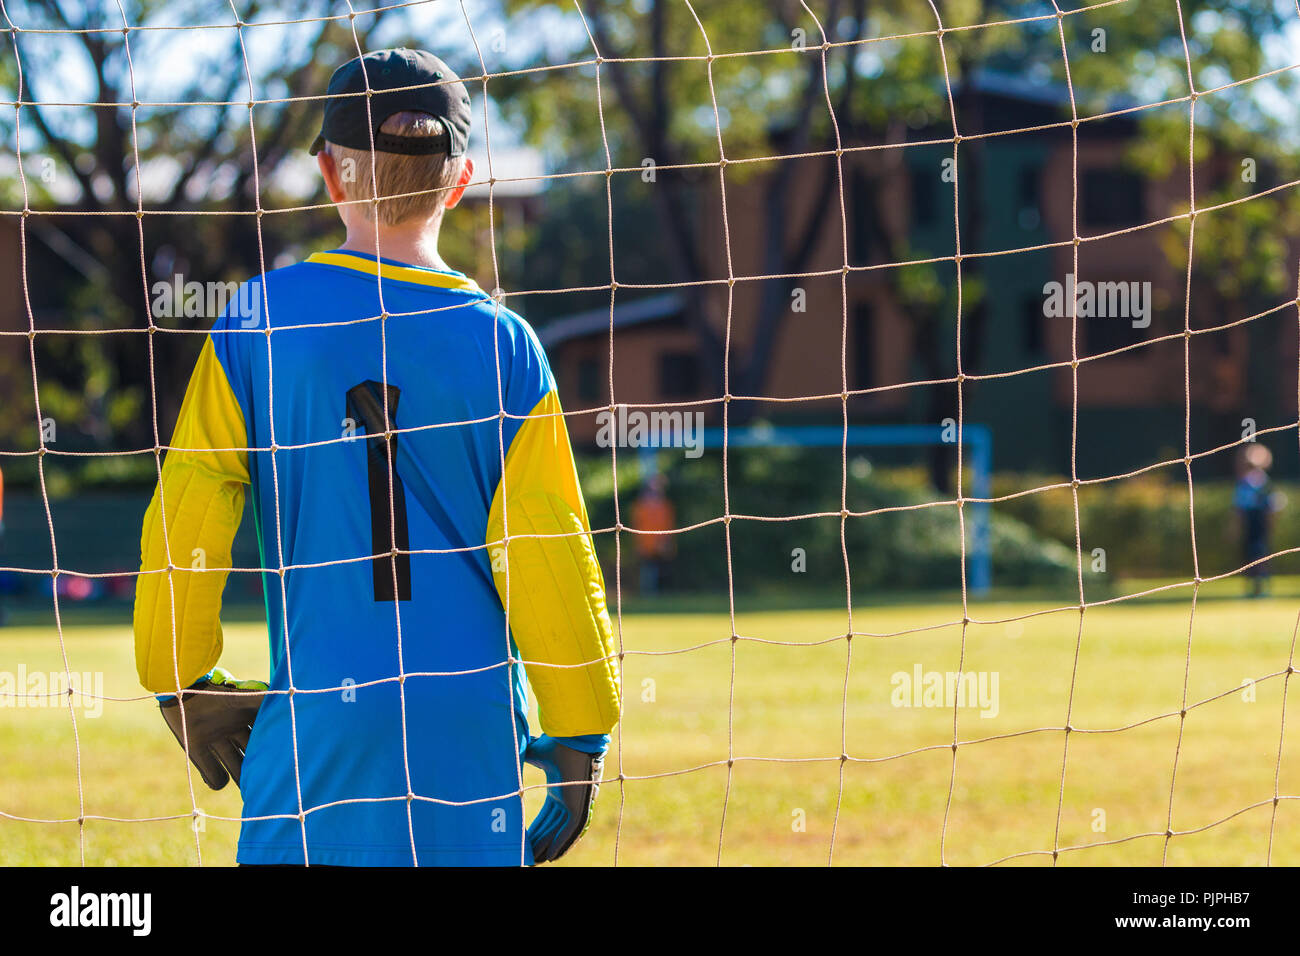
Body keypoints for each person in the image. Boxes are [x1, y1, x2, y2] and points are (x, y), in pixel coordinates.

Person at [133, 49, 621, 866]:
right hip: (466, 723)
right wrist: (581, 729)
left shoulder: (257, 321)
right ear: (461, 181)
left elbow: (193, 505)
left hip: (321, 713)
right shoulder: (506, 345)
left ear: (328, 173)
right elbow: (549, 546)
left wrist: (177, 676)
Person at [1234, 442, 1284, 598]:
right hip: (1251, 522)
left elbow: (1272, 505)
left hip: (1259, 522)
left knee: (1260, 554)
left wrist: (1271, 521)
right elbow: (1239, 507)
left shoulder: (1264, 483)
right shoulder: (1244, 483)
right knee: (1250, 554)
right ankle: (1252, 587)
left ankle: (1262, 587)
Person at [631, 473, 676, 594]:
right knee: (647, 570)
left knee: (663, 570)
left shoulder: (665, 505)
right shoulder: (641, 506)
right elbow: (637, 524)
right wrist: (639, 543)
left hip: (661, 544)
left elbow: (668, 524)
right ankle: (648, 593)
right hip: (646, 544)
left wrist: (667, 541)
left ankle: (661, 593)